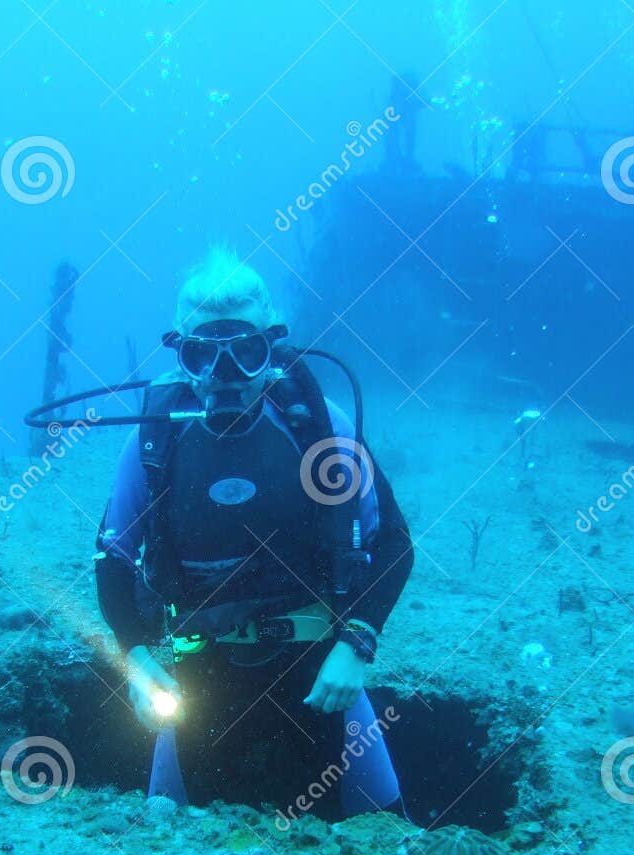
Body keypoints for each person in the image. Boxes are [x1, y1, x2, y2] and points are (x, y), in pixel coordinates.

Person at [94, 249, 414, 822]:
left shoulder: (316, 423)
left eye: (245, 352)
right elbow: (112, 557)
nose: (225, 378)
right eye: (202, 356)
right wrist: (139, 660)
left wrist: (355, 645)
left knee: (383, 831)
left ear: (272, 346)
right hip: (199, 675)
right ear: (180, 354)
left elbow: (392, 542)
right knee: (168, 840)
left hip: (318, 670)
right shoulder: (156, 441)